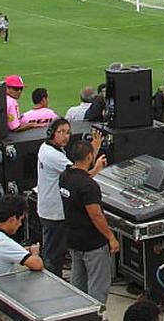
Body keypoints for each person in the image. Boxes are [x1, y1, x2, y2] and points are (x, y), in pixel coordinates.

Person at [37, 118, 105, 275]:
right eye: (61, 132)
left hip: (48, 209)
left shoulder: (46, 148)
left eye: (68, 132)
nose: (66, 136)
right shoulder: (54, 156)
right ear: (52, 133)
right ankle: (55, 286)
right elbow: (80, 175)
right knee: (53, 257)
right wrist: (96, 163)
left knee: (53, 253)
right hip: (55, 213)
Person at [60, 140, 119, 304]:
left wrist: (96, 170)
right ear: (89, 157)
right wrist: (111, 237)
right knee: (97, 288)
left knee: (78, 284)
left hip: (74, 240)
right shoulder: (89, 186)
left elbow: (79, 181)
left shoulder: (64, 176)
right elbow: (96, 215)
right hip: (93, 244)